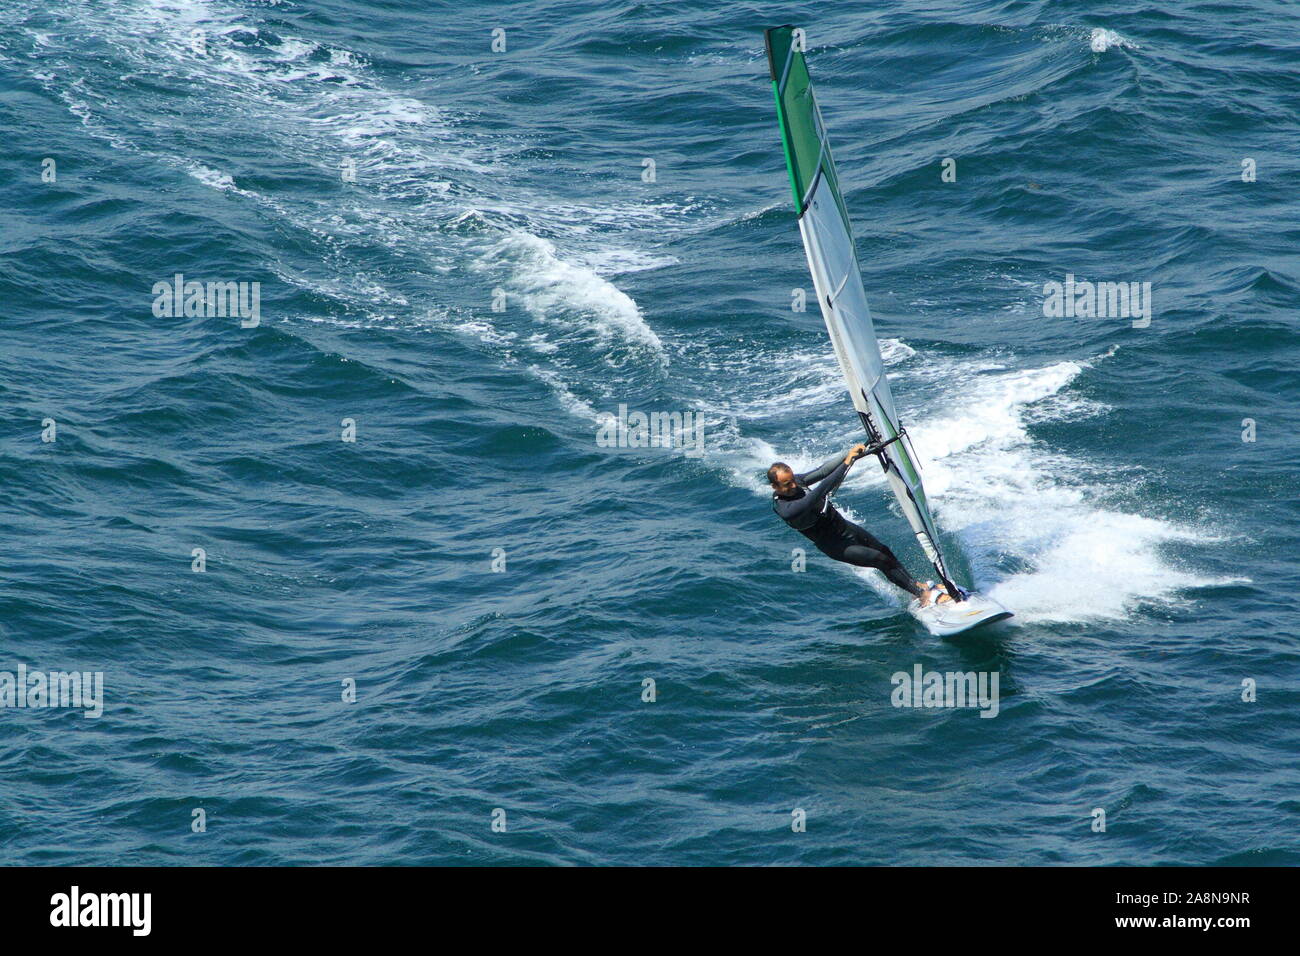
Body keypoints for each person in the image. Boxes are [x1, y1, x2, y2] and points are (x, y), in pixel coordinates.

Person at [768, 444, 952, 606]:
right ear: (775, 487)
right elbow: (820, 490)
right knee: (881, 560)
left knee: (885, 551)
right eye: (787, 484)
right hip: (835, 545)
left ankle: (913, 585)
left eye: (792, 480)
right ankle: (922, 595)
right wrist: (847, 463)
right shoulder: (786, 508)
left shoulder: (795, 483)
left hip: (845, 528)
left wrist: (851, 453)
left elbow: (823, 471)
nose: (794, 485)